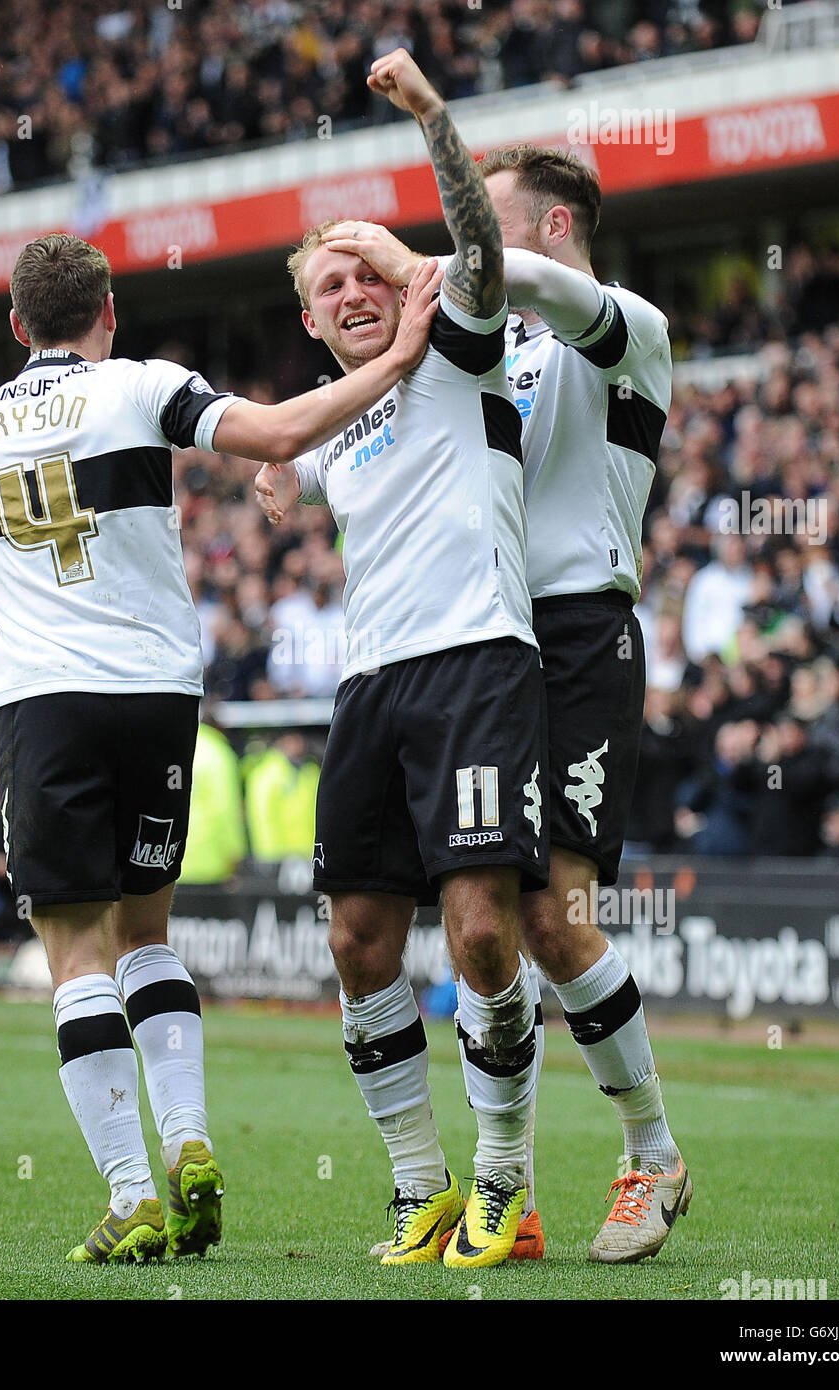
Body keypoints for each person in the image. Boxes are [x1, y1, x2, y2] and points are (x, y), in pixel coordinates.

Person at [0, 231, 441, 1265]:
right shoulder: (143, 385)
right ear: (109, 311)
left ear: (17, 328)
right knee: (148, 936)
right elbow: (279, 431)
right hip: (158, 695)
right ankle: (188, 1139)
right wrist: (397, 358)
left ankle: (136, 1192)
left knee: (74, 954)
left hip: (48, 703)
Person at [323, 140, 691, 1263]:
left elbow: (501, 276)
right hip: (487, 638)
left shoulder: (627, 325)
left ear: (557, 227)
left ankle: (652, 1153)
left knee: (552, 918)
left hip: (579, 629)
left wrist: (410, 252)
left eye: (489, 219)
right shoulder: (486, 346)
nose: (470, 240)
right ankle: (505, 1188)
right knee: (480, 923)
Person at [256, 50, 547, 1269]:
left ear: (399, 280)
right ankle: (419, 1186)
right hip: (371, 688)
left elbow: (474, 250)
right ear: (313, 321)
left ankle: (506, 1182)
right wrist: (276, 469)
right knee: (358, 939)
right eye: (331, 285)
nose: (354, 292)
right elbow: (279, 466)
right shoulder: (346, 410)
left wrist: (431, 124)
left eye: (367, 271)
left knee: (482, 932)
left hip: (477, 658)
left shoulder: (463, 340)